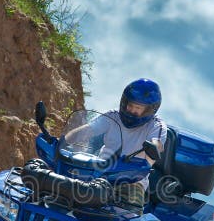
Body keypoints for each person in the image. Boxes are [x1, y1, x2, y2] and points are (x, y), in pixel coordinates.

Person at [64, 78, 166, 212]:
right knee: (61, 198)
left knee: (126, 219)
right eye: (130, 105)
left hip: (131, 181)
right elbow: (87, 130)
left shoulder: (156, 126)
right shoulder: (112, 117)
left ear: (149, 110)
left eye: (137, 108)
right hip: (98, 172)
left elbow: (157, 145)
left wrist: (154, 147)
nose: (131, 111)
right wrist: (64, 141)